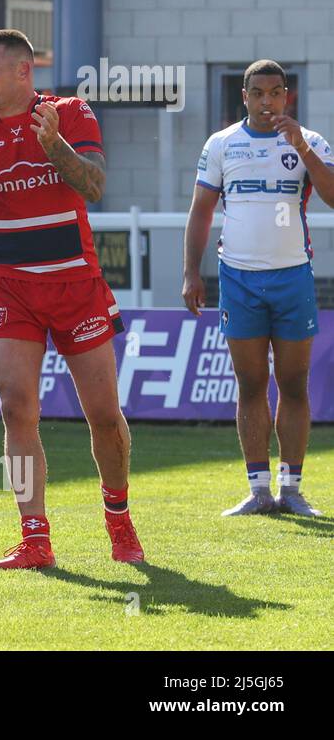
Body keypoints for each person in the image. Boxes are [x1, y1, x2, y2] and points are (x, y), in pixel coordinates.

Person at [0, 28, 142, 569]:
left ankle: (118, 520)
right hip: (10, 285)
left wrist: (55, 146)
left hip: (76, 285)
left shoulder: (70, 113)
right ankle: (35, 538)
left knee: (102, 414)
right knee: (15, 406)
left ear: (23, 72)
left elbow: (94, 187)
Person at [184, 59, 330, 517]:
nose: (267, 101)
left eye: (276, 93)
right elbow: (202, 212)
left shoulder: (312, 142)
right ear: (244, 97)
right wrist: (192, 272)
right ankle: (258, 489)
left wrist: (302, 149)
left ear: (287, 96)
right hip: (238, 278)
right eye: (258, 93)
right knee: (250, 383)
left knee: (293, 384)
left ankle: (292, 489)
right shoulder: (223, 144)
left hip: (293, 278)